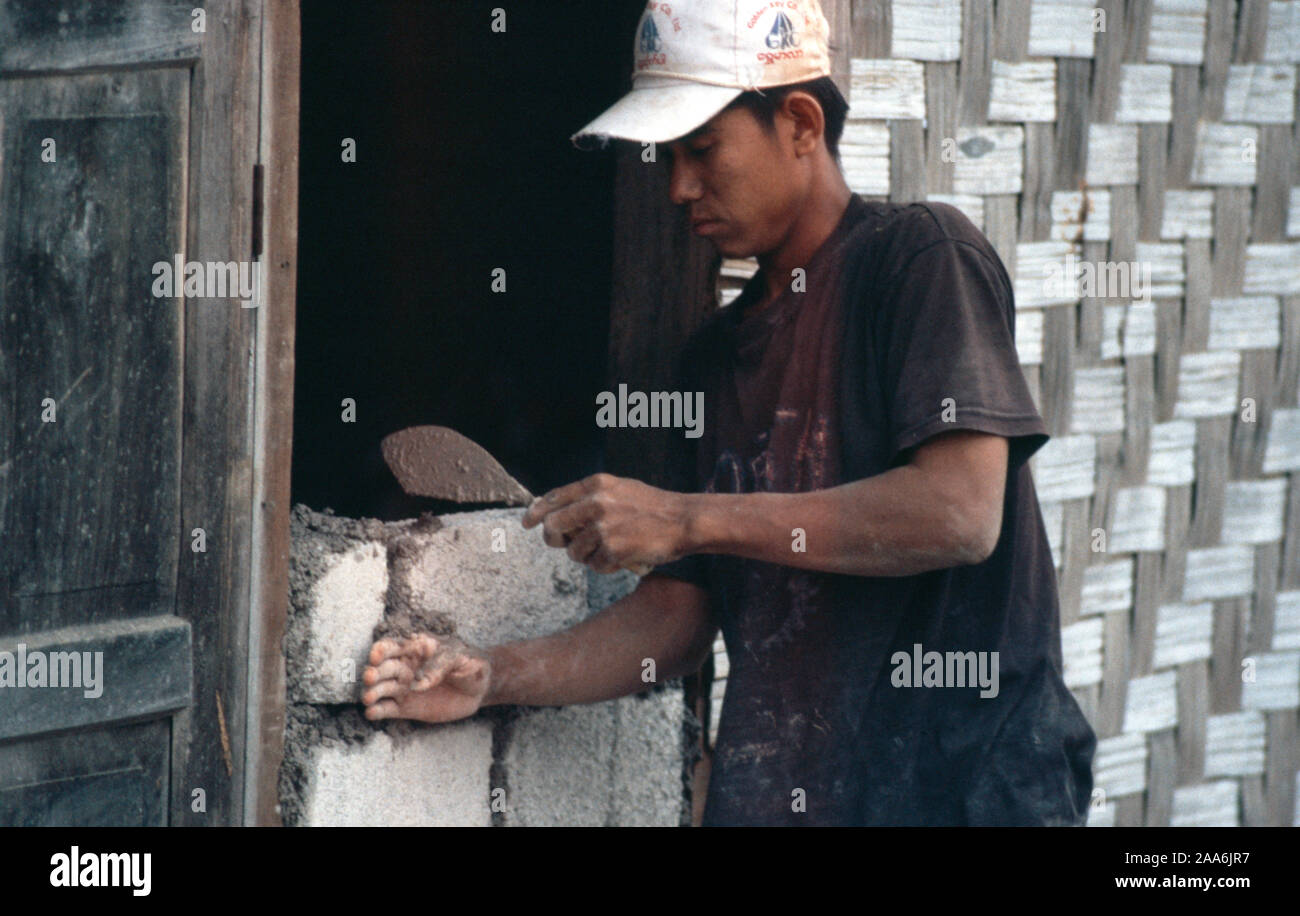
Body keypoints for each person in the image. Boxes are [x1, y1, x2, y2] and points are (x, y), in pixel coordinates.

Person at [362, 0, 1096, 826]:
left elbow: (959, 513)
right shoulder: (710, 363)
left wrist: (688, 517)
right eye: (670, 156)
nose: (678, 186)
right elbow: (676, 618)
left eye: (703, 149)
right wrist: (494, 675)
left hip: (960, 797)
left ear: (801, 123)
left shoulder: (922, 260)